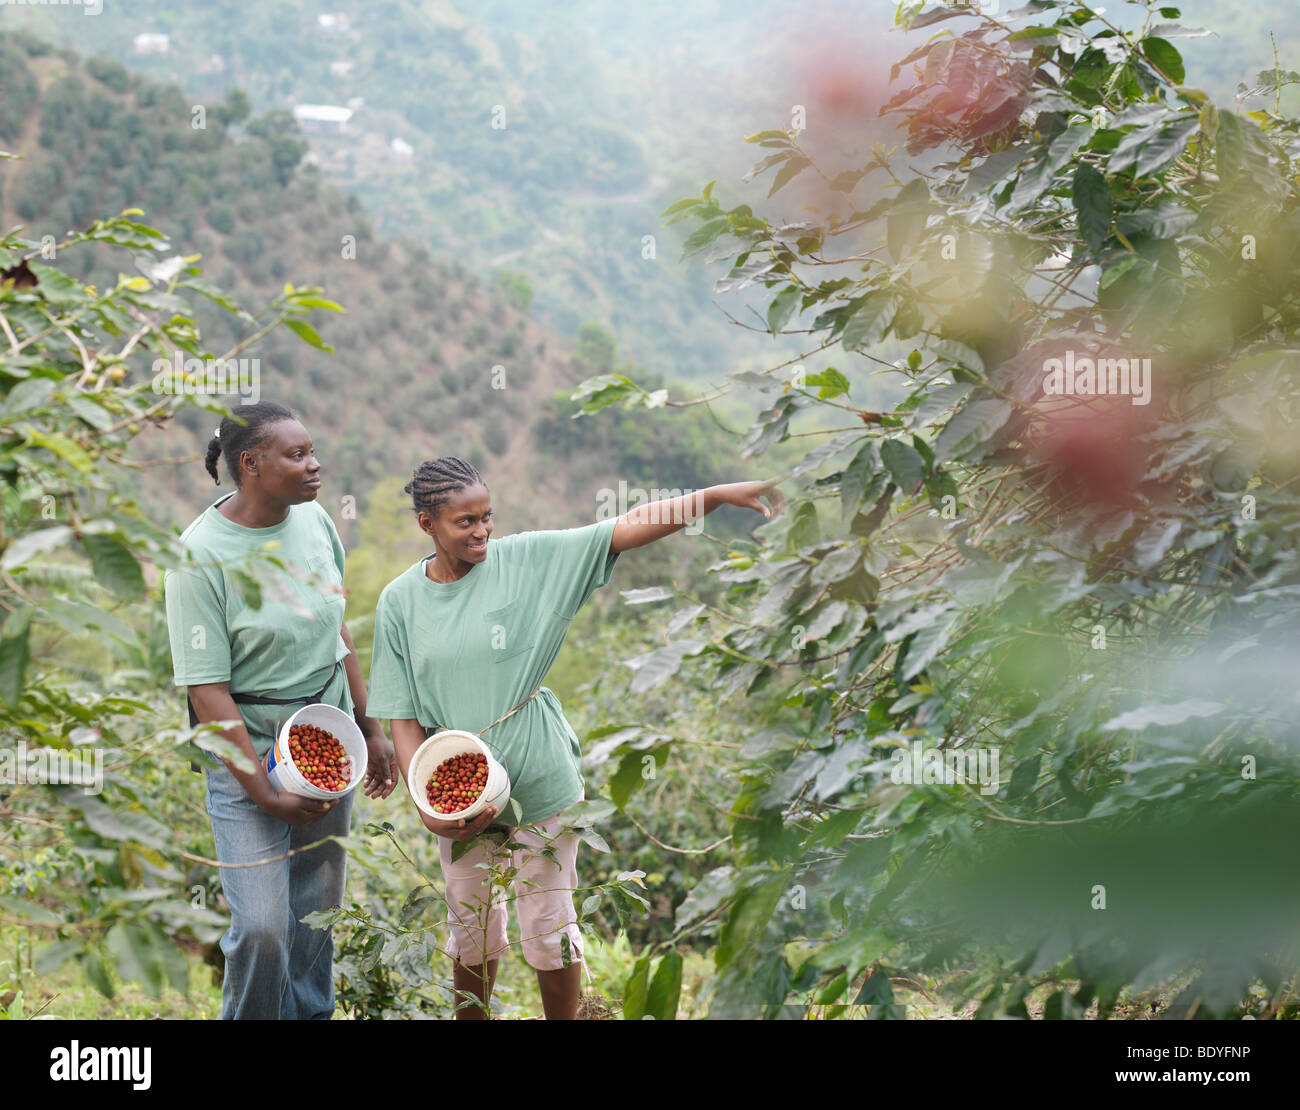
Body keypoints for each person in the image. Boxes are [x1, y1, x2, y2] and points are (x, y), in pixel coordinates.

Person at [365, 456, 784, 1019]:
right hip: (456, 785)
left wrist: (718, 494)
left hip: (538, 777)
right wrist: (428, 804)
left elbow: (626, 526)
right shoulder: (400, 601)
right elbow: (403, 717)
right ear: (428, 524)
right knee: (470, 930)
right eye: (465, 522)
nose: (482, 530)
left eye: (487, 516)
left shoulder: (527, 559)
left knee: (549, 925)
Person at [163, 401, 397, 1020]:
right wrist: (264, 792)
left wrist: (370, 726)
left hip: (327, 738)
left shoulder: (314, 520)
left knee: (314, 915)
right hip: (247, 752)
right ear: (252, 464)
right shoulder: (199, 558)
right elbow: (206, 689)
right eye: (297, 455)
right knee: (263, 928)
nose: (315, 465)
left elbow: (335, 627)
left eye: (312, 450)